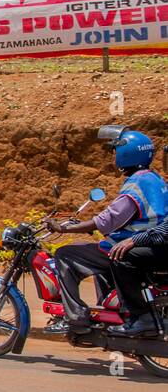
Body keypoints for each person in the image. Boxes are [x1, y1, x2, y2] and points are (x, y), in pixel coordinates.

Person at [45, 127, 168, 334]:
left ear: (125, 154)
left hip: (143, 244)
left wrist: (66, 229)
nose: (113, 156)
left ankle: (75, 317)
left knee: (65, 254)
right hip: (153, 243)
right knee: (100, 249)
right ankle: (110, 307)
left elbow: (108, 219)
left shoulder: (135, 184)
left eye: (115, 152)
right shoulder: (155, 179)